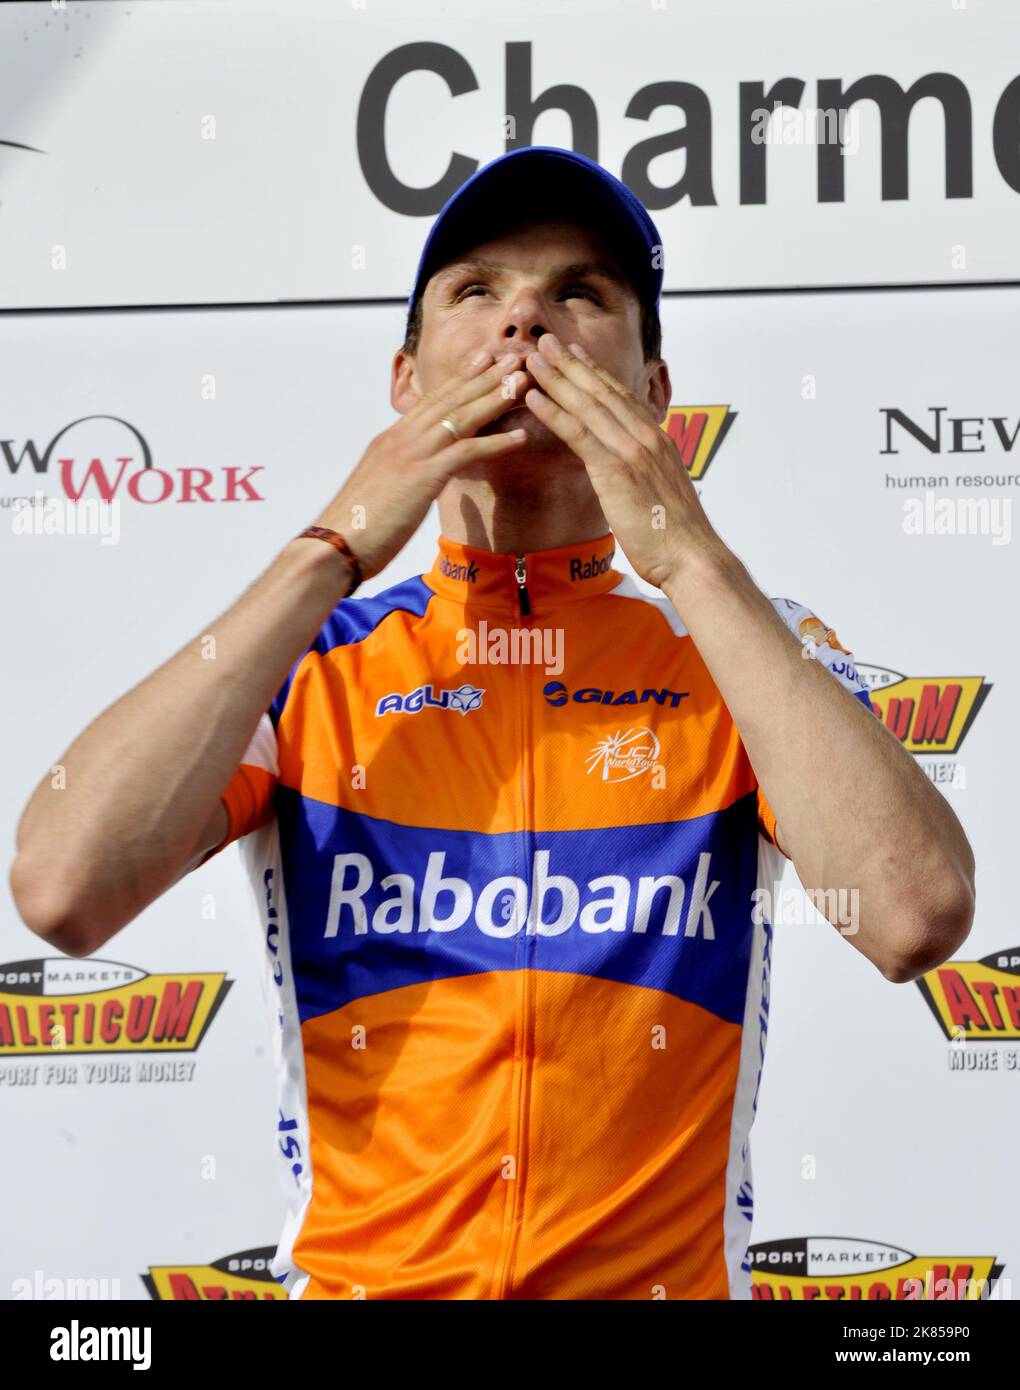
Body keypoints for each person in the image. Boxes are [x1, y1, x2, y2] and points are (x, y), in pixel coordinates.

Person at [10, 146, 975, 1301]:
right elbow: (64, 888)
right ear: (406, 378)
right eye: (477, 290)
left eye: (582, 293)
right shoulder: (312, 660)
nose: (527, 318)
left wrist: (691, 558)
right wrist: (331, 547)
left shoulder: (733, 646)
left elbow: (913, 914)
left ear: (656, 392)